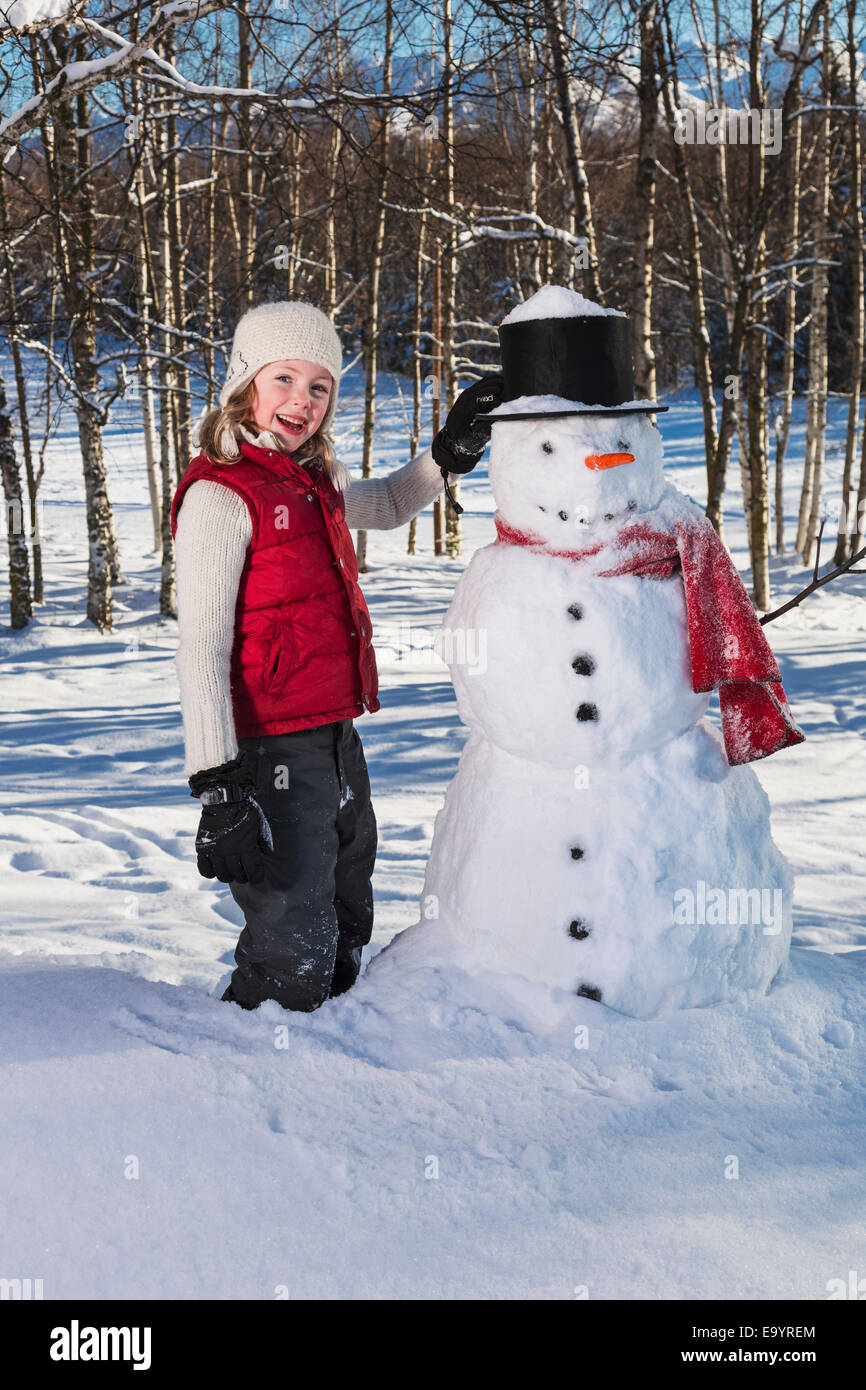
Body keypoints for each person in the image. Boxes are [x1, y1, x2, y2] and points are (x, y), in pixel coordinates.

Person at [171, 299, 502, 1011]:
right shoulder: (222, 495)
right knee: (294, 921)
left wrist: (450, 453)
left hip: (331, 729)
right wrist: (218, 785)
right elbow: (201, 646)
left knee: (349, 889)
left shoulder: (314, 477)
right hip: (266, 745)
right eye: (284, 378)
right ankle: (260, 1056)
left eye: (319, 386)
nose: (302, 400)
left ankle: (342, 1028)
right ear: (245, 384)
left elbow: (381, 505)